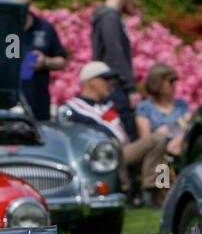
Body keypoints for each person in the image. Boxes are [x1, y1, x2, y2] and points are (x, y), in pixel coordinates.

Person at [64, 60, 168, 207]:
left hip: (125, 151)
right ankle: (126, 193)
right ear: (91, 81)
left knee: (159, 139)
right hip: (98, 156)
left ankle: (149, 193)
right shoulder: (72, 108)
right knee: (113, 144)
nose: (110, 83)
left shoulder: (109, 104)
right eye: (106, 79)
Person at [2, 0, 66, 120]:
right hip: (7, 105)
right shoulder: (2, 29)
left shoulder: (44, 28)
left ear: (29, 4)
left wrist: (46, 62)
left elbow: (62, 61)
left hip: (38, 104)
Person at [90, 0, 140, 139]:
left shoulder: (105, 16)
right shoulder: (110, 18)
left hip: (110, 84)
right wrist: (131, 88)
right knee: (126, 136)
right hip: (115, 87)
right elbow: (116, 54)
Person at [135, 62, 191, 161]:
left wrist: (170, 131)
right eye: (171, 81)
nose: (174, 84)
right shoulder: (145, 108)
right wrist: (179, 126)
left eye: (176, 80)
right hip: (159, 159)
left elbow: (188, 124)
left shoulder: (182, 105)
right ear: (158, 83)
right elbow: (147, 141)